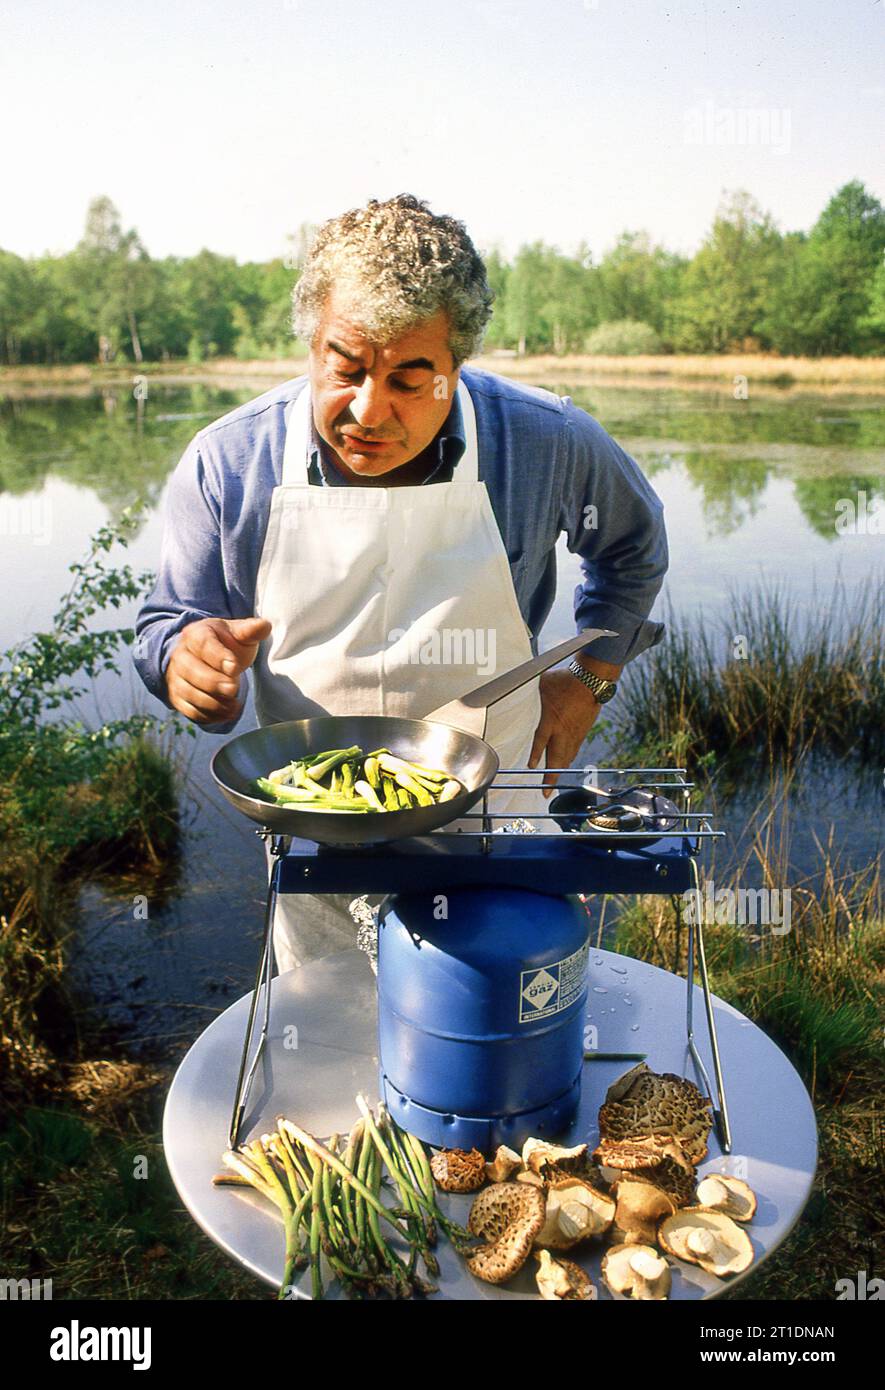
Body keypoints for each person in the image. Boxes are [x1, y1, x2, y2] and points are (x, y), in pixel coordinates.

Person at [133, 194, 668, 971]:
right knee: (327, 1050)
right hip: (319, 816)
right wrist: (186, 659)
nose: (367, 411)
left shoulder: (546, 442)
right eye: (344, 368)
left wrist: (588, 677)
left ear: (457, 365)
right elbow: (168, 622)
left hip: (496, 806)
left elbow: (634, 545)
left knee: (497, 1025)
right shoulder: (227, 462)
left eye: (410, 381)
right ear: (310, 345)